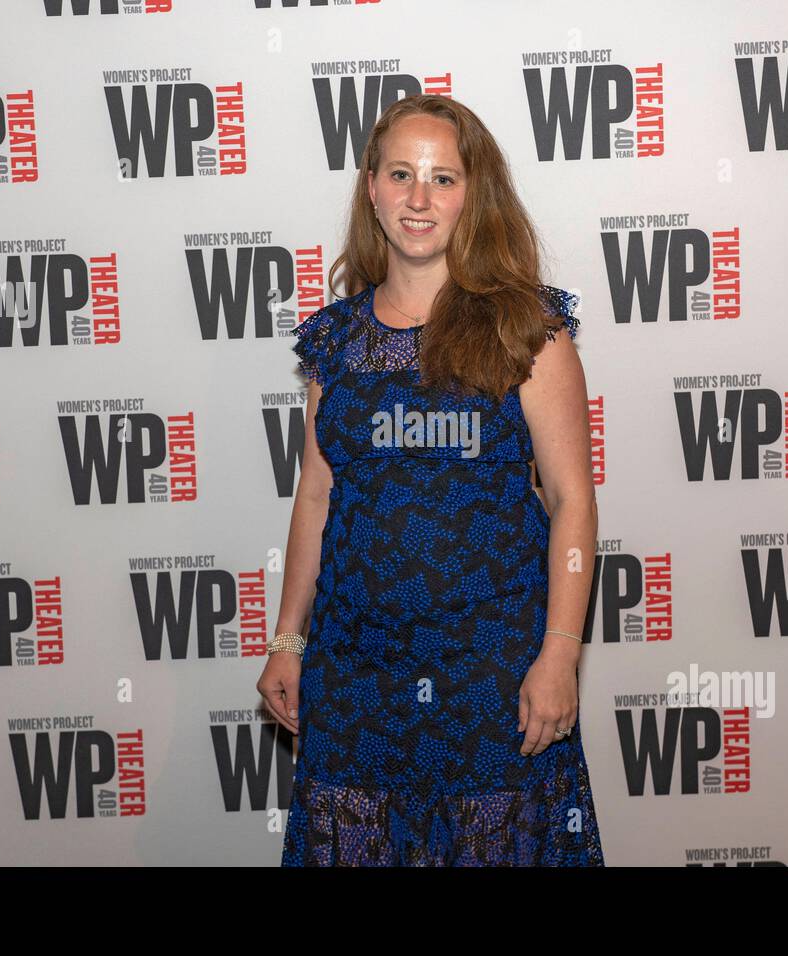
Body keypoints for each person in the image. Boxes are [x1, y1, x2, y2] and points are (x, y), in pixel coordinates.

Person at [257, 93, 605, 866]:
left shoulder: (528, 333)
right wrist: (289, 639)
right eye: (401, 175)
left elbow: (573, 501)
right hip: (354, 674)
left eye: (443, 179)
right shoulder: (335, 342)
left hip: (493, 672)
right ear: (372, 190)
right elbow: (317, 497)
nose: (420, 199)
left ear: (472, 197)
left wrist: (559, 655)